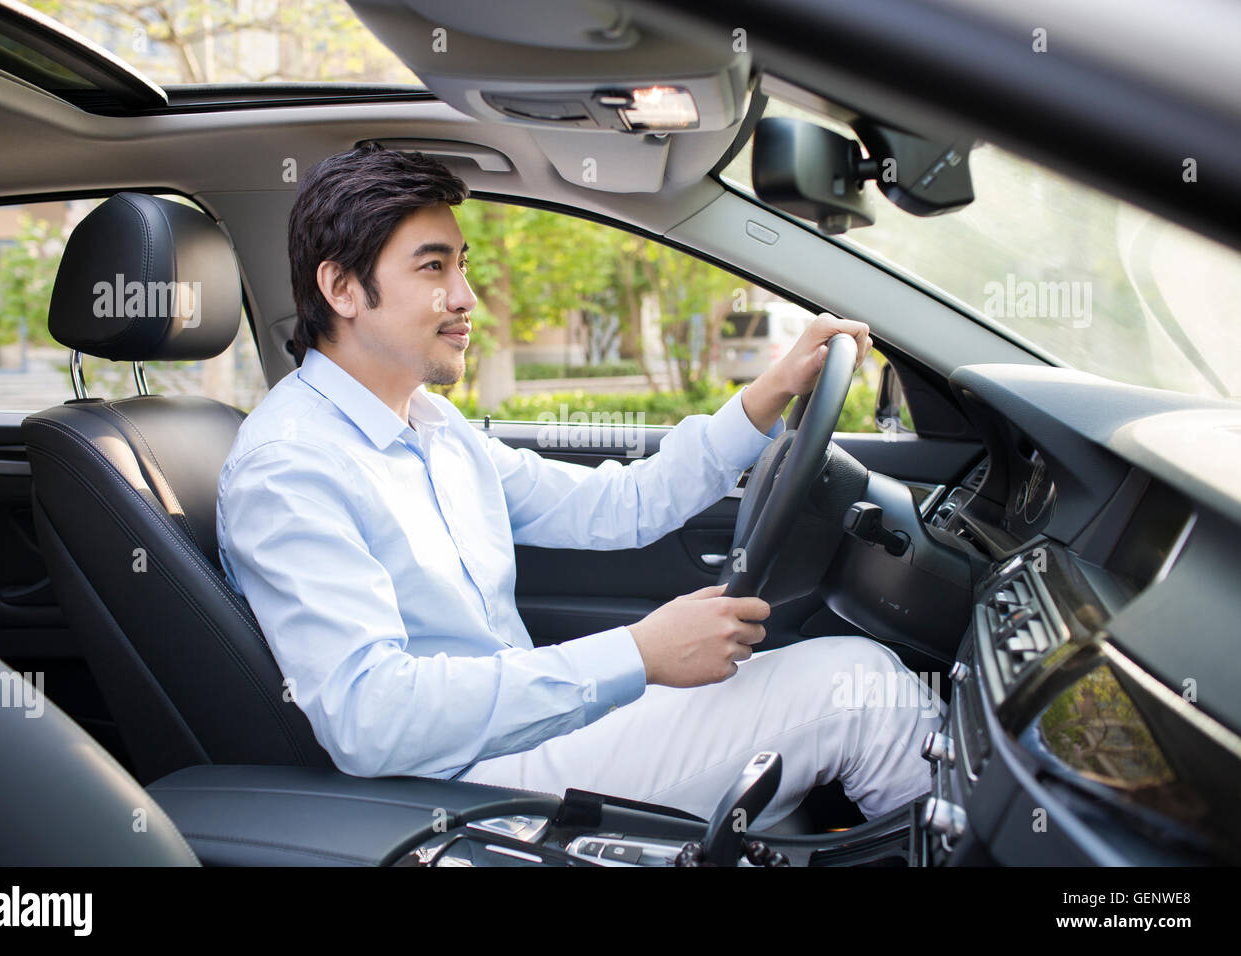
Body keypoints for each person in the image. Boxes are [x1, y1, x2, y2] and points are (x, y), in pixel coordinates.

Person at [216, 143, 944, 831]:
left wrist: (768, 394)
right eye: (432, 269)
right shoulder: (290, 467)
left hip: (525, 736)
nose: (466, 296)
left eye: (461, 265)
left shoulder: (433, 427)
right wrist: (637, 653)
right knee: (862, 690)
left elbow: (615, 507)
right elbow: (370, 719)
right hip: (469, 785)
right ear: (342, 287)